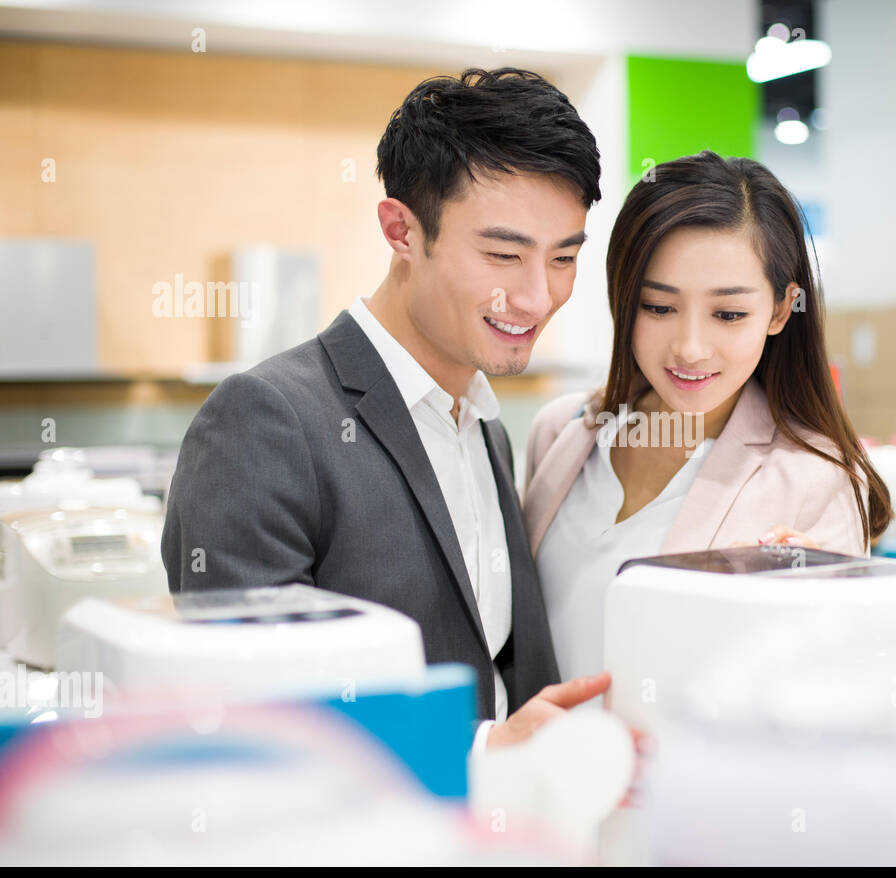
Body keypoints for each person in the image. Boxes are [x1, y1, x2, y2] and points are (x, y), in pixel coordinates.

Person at [162, 68, 609, 748]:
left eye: (564, 259)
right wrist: (486, 750)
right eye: (502, 254)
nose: (537, 298)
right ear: (401, 230)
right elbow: (252, 716)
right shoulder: (264, 420)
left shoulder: (483, 424)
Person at [523, 151, 893, 682]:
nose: (690, 348)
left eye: (728, 314)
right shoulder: (561, 432)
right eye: (657, 306)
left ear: (782, 309)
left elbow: (829, 691)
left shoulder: (817, 480)